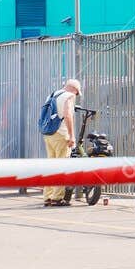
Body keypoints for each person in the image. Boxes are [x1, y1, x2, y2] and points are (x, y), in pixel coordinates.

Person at [40, 78, 82, 207]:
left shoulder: (53, 94)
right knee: (61, 166)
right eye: (77, 93)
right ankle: (57, 198)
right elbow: (68, 116)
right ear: (74, 89)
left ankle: (48, 197)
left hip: (48, 134)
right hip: (61, 134)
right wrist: (71, 136)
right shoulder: (69, 96)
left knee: (51, 165)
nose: (76, 95)